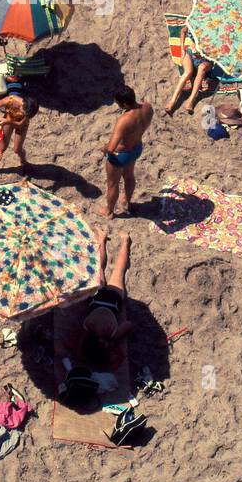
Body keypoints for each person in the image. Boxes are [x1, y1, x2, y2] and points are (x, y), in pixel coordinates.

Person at [79, 230, 132, 366]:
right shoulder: (88, 328)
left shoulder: (112, 334)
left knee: (118, 270)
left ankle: (124, 241)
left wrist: (117, 337)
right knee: (100, 268)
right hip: (98, 298)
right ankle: (104, 239)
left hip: (113, 300)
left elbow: (129, 325)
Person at [103, 86, 153, 216]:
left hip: (121, 154)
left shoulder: (124, 120)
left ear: (124, 104)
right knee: (129, 176)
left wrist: (104, 148)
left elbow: (111, 148)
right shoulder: (147, 107)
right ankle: (127, 201)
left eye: (118, 104)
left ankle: (109, 211)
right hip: (136, 148)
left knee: (112, 184)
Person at [0, 95, 38, 166]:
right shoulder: (11, 100)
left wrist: (8, 122)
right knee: (2, 147)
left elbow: (20, 124)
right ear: (22, 105)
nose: (23, 115)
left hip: (20, 125)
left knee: (17, 149)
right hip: (8, 119)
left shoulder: (29, 111)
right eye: (23, 113)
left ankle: (23, 161)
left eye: (26, 115)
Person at [165, 44, 215, 116]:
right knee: (188, 72)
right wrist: (182, 50)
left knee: (202, 68)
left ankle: (191, 100)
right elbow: (183, 32)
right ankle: (172, 101)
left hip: (206, 58)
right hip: (192, 52)